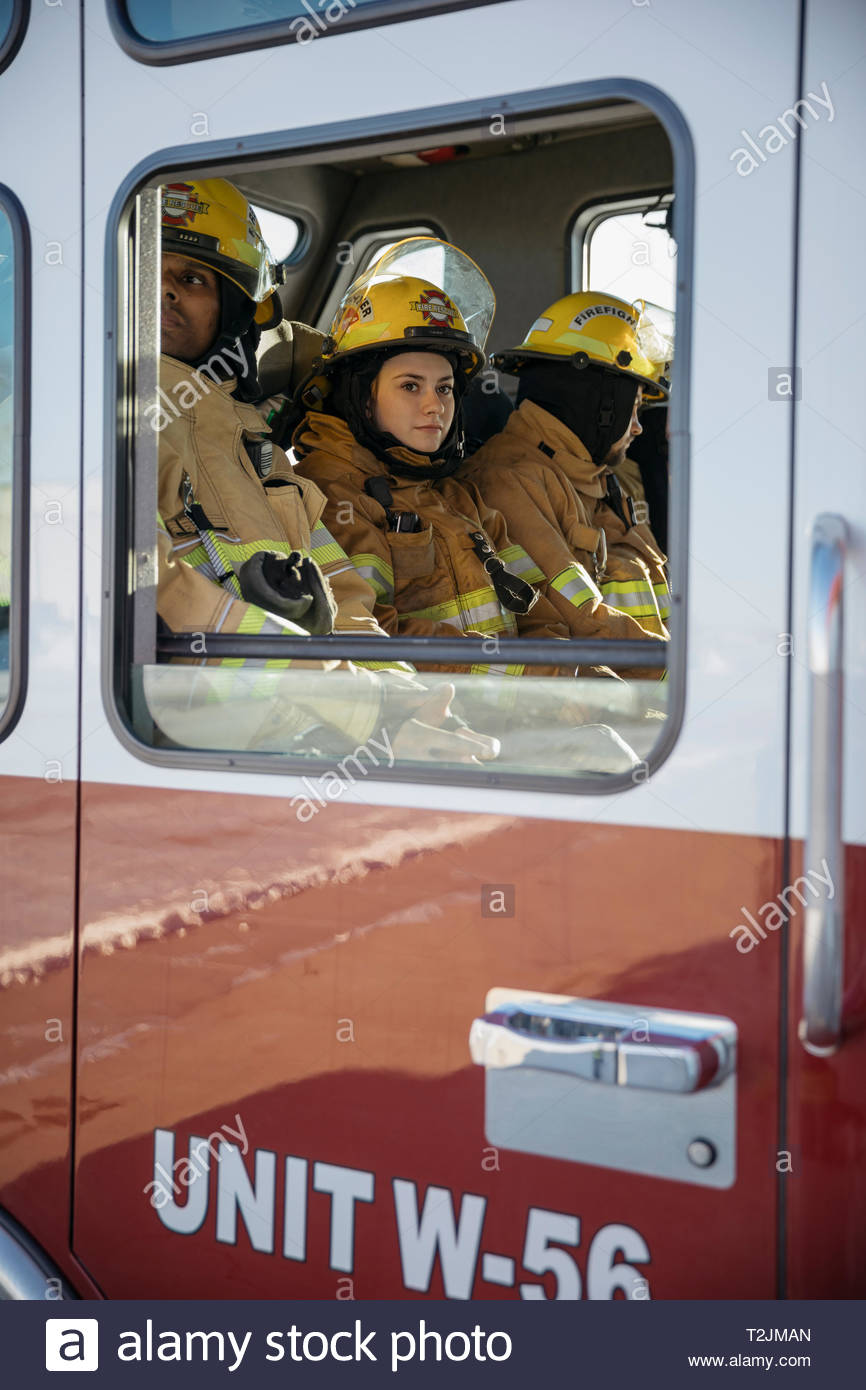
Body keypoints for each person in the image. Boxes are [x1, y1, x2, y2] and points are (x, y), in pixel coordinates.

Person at [154, 179, 497, 764]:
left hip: (308, 737)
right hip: (193, 752)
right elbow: (155, 595)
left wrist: (404, 701)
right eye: (147, 271)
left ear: (234, 308)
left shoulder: (263, 454)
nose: (164, 291)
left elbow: (347, 606)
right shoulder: (99, 425)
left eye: (191, 279)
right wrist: (364, 713)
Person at [291, 239, 575, 679]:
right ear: (361, 397)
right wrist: (530, 681)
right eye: (410, 386)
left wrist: (567, 680)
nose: (435, 406)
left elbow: (538, 612)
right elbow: (374, 638)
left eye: (444, 388)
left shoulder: (460, 498)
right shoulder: (323, 498)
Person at [463, 291, 672, 652]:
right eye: (633, 407)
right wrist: (677, 669)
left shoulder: (601, 483)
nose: (638, 427)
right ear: (598, 401)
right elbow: (580, 622)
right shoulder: (509, 482)